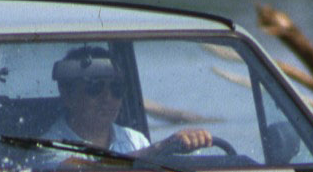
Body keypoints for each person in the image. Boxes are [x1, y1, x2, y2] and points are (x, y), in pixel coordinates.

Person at [45, 46, 212, 156]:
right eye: (95, 87)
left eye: (116, 89)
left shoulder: (135, 140)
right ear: (67, 94)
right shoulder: (49, 146)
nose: (108, 97)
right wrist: (160, 148)